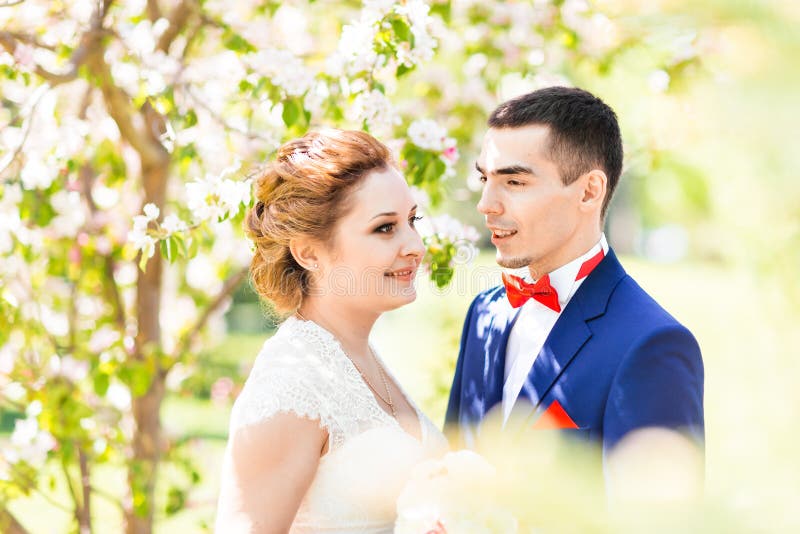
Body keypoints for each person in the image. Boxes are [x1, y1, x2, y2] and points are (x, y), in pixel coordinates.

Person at [445, 87, 705, 499]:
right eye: (484, 179)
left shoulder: (654, 346)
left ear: (589, 191)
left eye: (513, 181)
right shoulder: (485, 313)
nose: (486, 204)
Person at [215, 129, 448, 533]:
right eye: (384, 228)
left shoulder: (357, 355)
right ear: (308, 253)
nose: (415, 245)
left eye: (412, 221)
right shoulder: (292, 382)